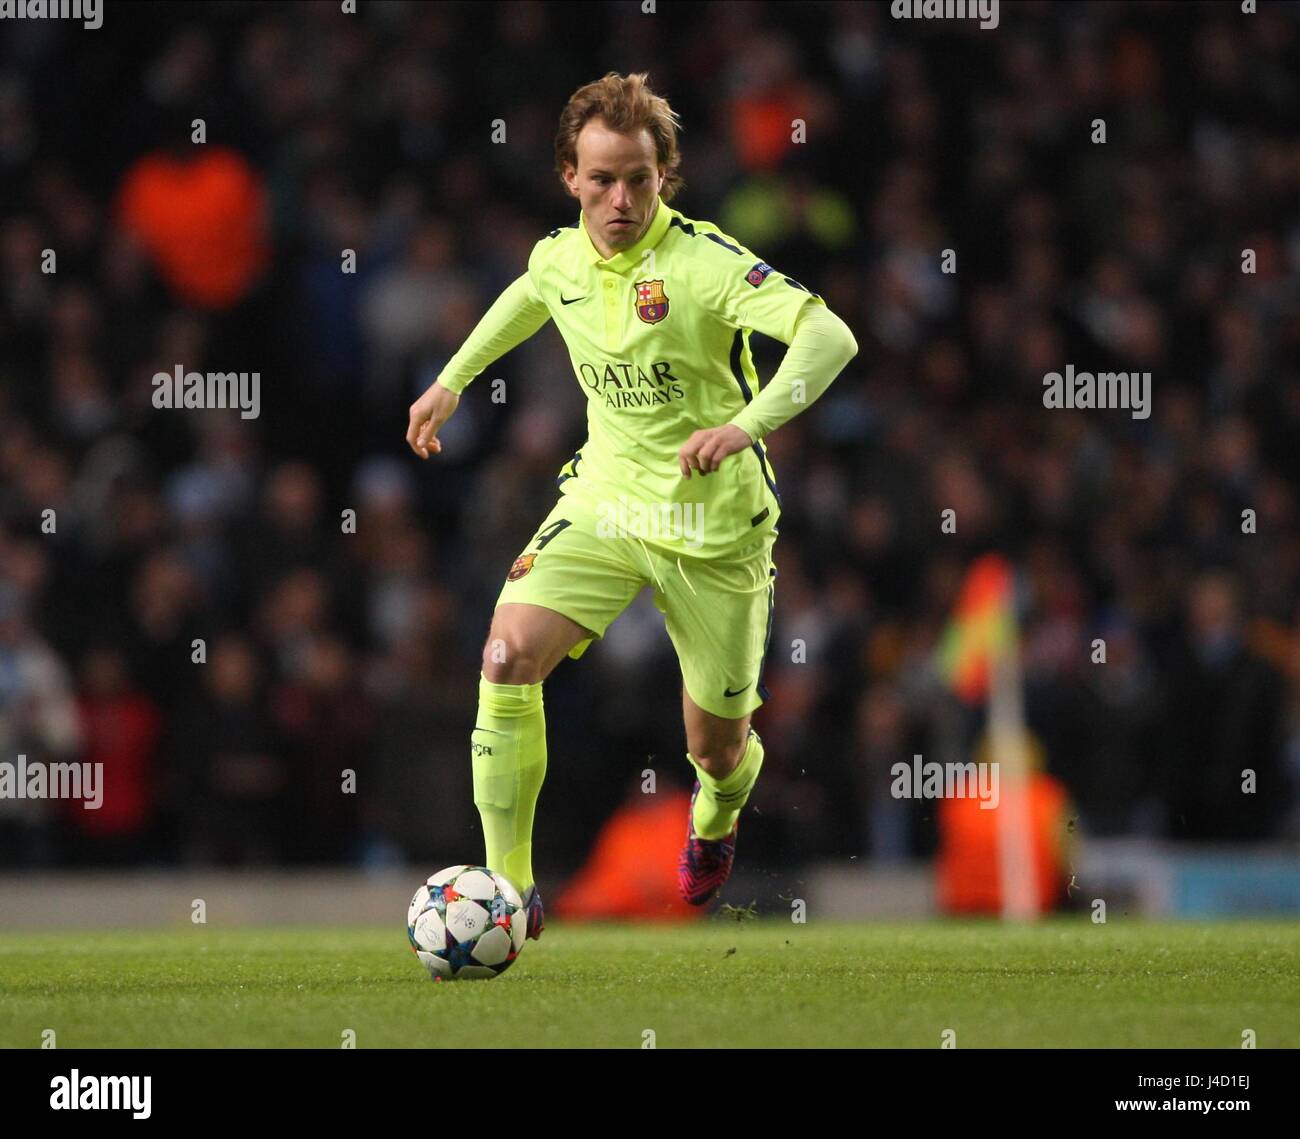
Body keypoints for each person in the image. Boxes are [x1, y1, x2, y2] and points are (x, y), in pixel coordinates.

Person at [405, 72, 857, 938]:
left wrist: (745, 423)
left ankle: (717, 814)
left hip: (712, 525)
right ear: (569, 177)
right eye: (603, 178)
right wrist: (451, 381)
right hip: (607, 502)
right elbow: (530, 295)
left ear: (665, 176)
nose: (621, 198)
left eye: (639, 179)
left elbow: (830, 334)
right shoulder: (559, 256)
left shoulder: (704, 263)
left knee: (716, 747)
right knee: (504, 656)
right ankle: (509, 888)